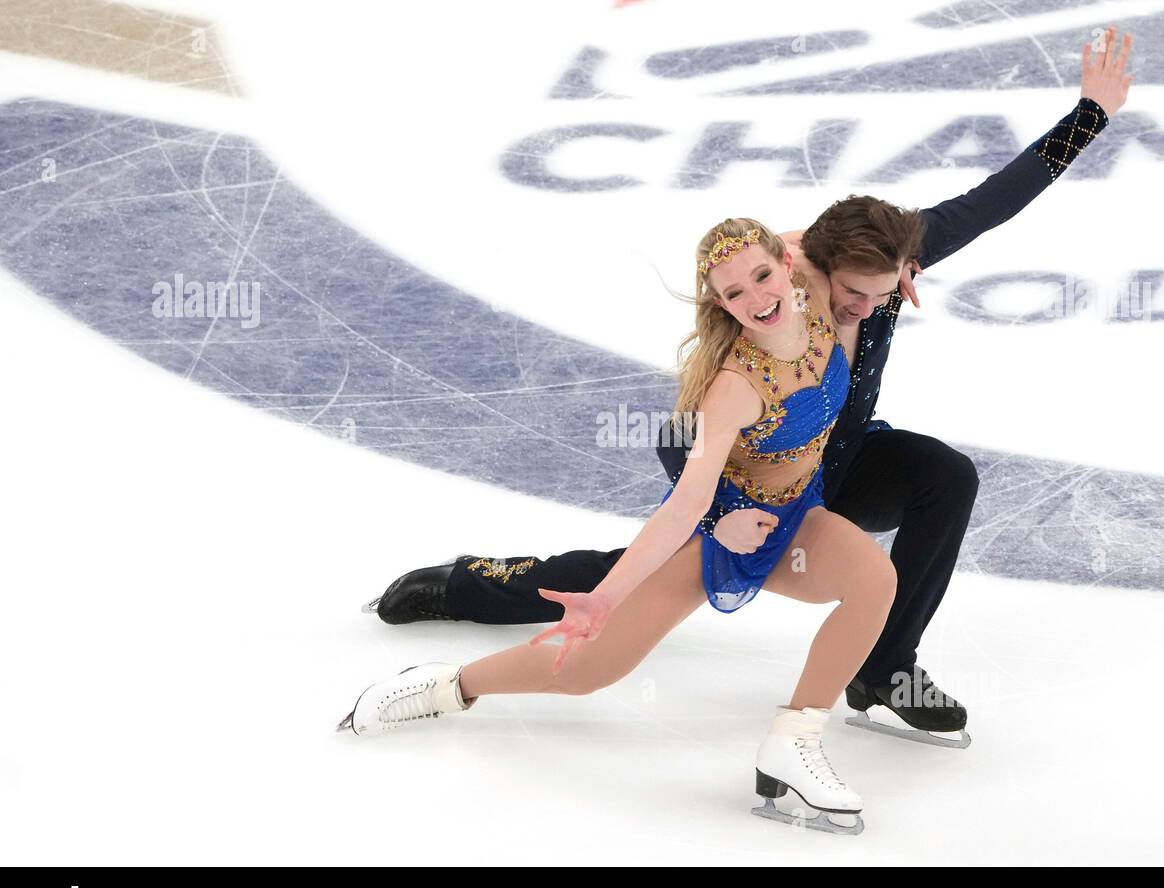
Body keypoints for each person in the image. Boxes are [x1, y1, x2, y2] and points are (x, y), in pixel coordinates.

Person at [362, 28, 1134, 750]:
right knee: (628, 581)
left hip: (839, 454)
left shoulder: (884, 259)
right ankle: (477, 585)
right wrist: (733, 513)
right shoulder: (768, 304)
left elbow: (994, 200)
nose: (869, 307)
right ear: (812, 270)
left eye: (883, 288)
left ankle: (884, 665)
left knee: (945, 478)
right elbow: (687, 439)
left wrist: (1091, 114)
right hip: (743, 477)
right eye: (853, 294)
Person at [341, 219, 895, 835]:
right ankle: (447, 686)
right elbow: (684, 503)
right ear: (718, 301)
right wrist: (606, 597)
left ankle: (793, 742)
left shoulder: (818, 285)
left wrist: (905, 261)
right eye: (734, 294)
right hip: (721, 529)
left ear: (787, 263)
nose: (756, 300)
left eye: (763, 276)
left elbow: (898, 230)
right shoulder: (734, 388)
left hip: (797, 512)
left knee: (873, 578)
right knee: (588, 670)